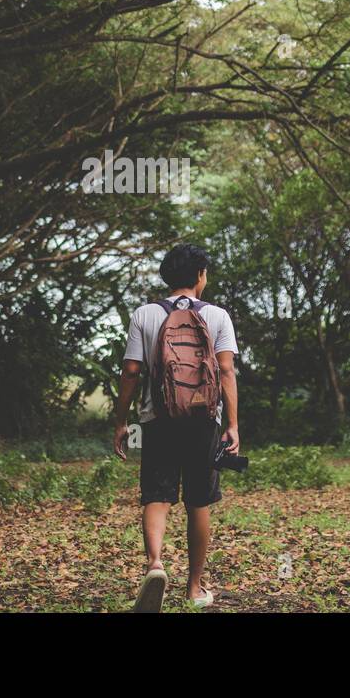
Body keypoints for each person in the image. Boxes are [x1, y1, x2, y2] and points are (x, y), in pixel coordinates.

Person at [112, 243, 239, 612]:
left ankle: (155, 566)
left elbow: (131, 371)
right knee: (199, 501)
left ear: (167, 277)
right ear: (201, 276)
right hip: (204, 421)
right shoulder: (217, 316)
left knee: (157, 495)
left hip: (158, 419)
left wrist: (121, 422)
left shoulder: (145, 315)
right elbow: (226, 370)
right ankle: (195, 588)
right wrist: (231, 424)